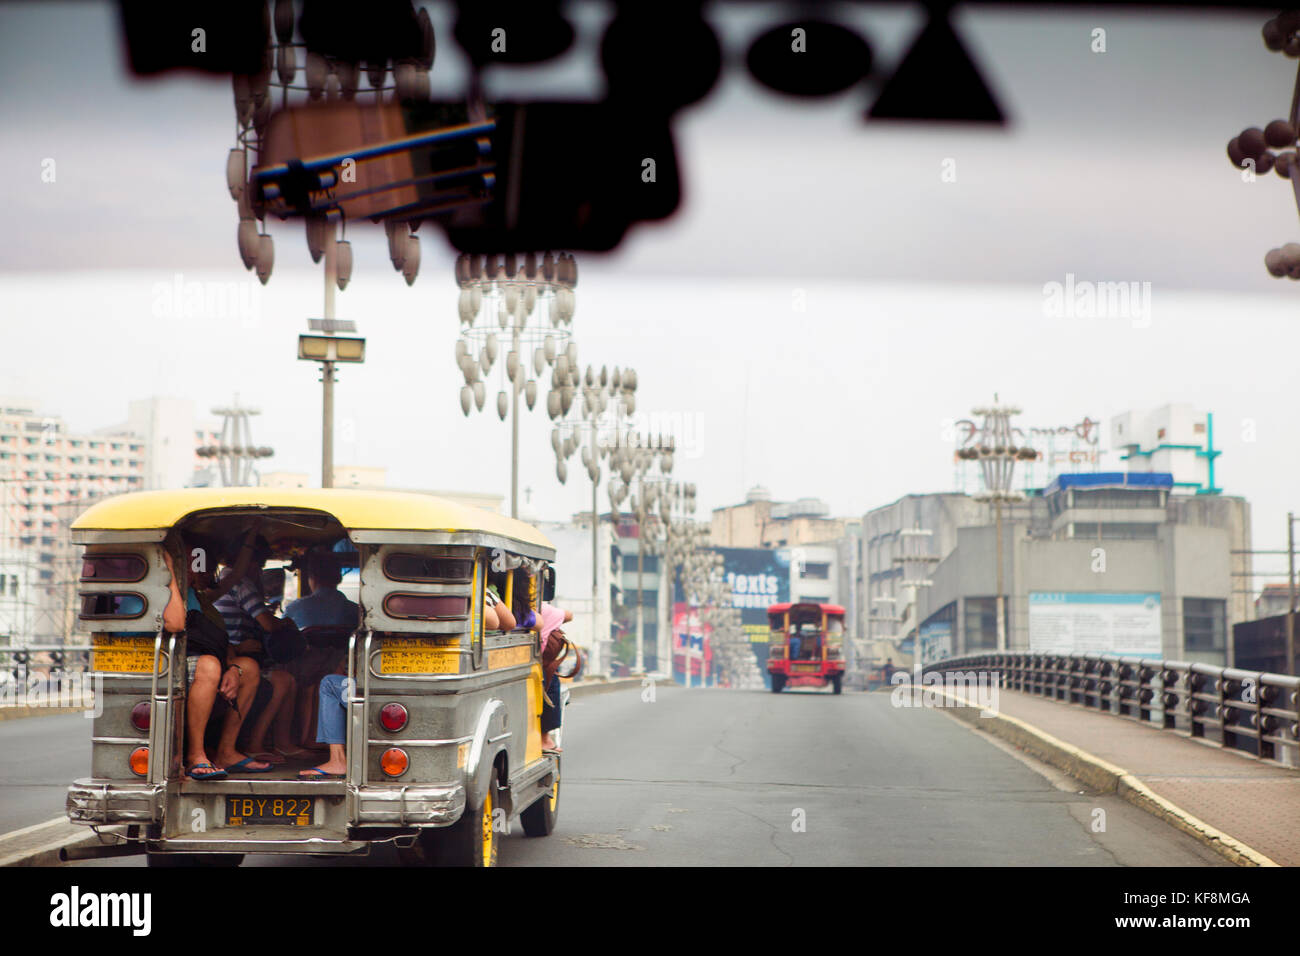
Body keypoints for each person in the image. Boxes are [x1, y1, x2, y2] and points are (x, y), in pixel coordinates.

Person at [160, 535, 263, 781]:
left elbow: (217, 639)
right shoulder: (169, 592)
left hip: (218, 662)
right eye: (189, 561)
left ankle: (226, 751)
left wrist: (233, 668)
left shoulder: (202, 597)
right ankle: (197, 755)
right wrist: (172, 575)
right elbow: (176, 624)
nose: (199, 569)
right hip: (183, 667)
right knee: (209, 664)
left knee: (248, 666)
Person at [214, 536, 299, 770]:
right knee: (283, 680)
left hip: (232, 652)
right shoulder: (240, 583)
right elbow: (268, 624)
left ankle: (281, 743)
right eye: (259, 566)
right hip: (234, 656)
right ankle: (255, 744)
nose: (259, 571)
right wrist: (287, 624)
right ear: (249, 563)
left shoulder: (221, 581)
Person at [282, 550, 359, 755]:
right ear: (339, 578)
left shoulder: (295, 608)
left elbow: (284, 640)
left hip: (303, 672)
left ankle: (300, 736)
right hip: (339, 672)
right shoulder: (354, 611)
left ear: (311, 578)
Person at [537, 603, 572, 753]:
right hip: (537, 664)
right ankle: (544, 738)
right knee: (551, 681)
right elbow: (569, 615)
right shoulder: (540, 609)